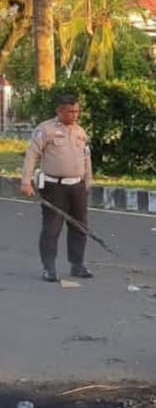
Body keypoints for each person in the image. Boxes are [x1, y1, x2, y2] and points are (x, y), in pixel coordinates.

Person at [20, 94, 94, 282]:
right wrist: (26, 181)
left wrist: (88, 182)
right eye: (70, 111)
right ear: (59, 111)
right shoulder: (45, 130)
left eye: (77, 111)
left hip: (77, 186)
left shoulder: (80, 132)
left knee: (80, 227)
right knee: (52, 228)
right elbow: (32, 155)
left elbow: (86, 159)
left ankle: (77, 265)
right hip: (54, 187)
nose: (74, 115)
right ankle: (49, 268)